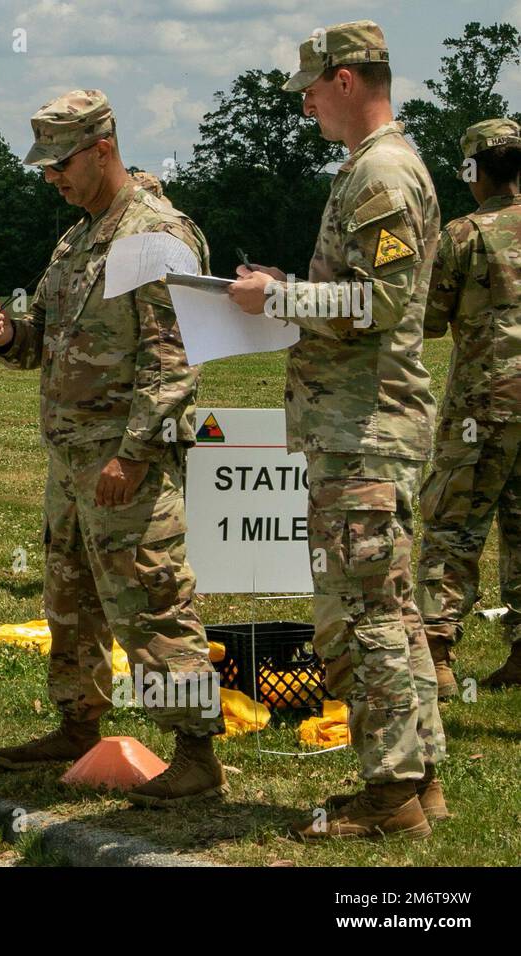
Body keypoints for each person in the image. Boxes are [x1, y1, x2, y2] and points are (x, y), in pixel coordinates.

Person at [0, 90, 227, 807]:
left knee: (150, 601)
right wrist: (9, 338)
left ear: (102, 149)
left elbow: (173, 357)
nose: (51, 177)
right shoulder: (79, 237)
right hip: (73, 462)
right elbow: (49, 343)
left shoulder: (155, 235)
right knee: (72, 601)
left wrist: (136, 453)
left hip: (126, 465)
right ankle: (77, 723)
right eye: (45, 166)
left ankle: (194, 753)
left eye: (60, 162)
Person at [227, 21, 447, 840]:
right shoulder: (373, 168)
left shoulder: (381, 173)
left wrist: (275, 302)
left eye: (313, 87)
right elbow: (361, 291)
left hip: (363, 428)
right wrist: (288, 284)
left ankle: (389, 795)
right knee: (391, 605)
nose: (306, 102)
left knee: (362, 617)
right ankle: (421, 783)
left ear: (348, 80)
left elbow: (380, 307)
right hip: (364, 426)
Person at [416, 118, 521, 695]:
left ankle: (436, 656)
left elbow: (430, 320)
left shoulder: (463, 235)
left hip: (484, 405)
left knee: (453, 525)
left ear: (474, 171)